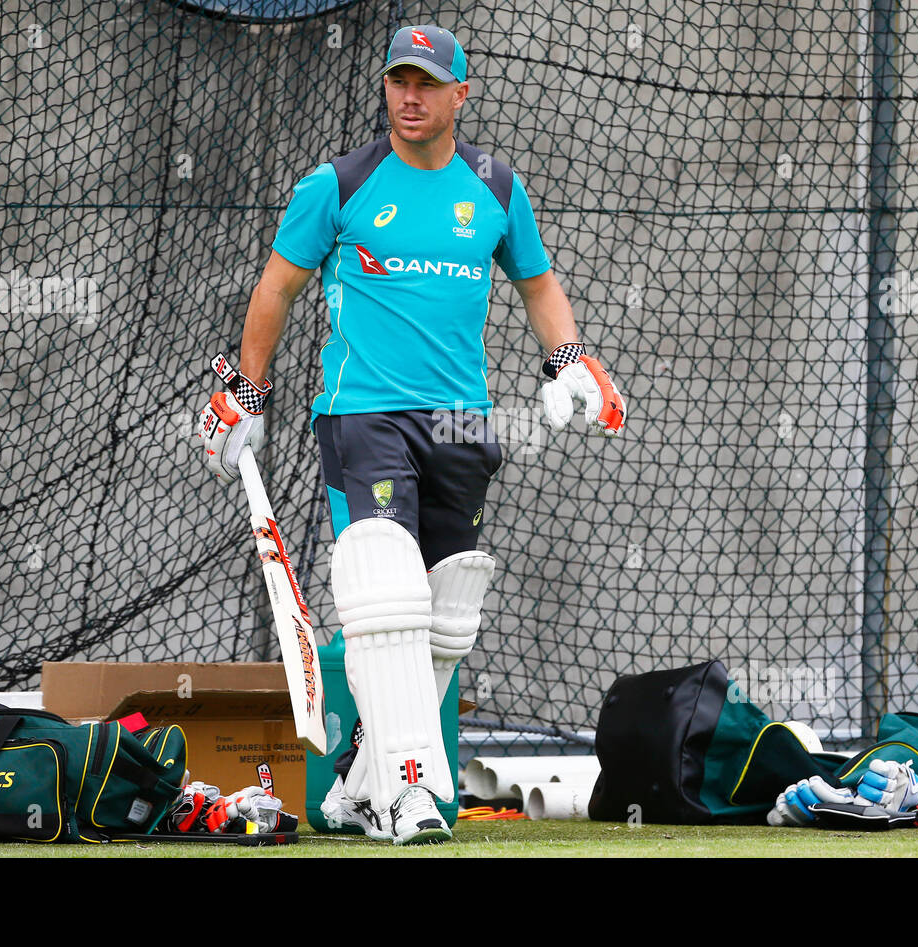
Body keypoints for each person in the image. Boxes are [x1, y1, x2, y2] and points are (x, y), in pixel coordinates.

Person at [198, 24, 625, 845]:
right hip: (364, 411)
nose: (410, 96)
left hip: (461, 420)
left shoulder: (495, 188)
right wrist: (250, 391)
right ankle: (410, 792)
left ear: (460, 94)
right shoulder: (340, 184)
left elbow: (537, 284)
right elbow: (276, 289)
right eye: (399, 80)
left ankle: (360, 783)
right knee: (385, 588)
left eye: (427, 83)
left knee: (443, 610)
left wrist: (568, 358)